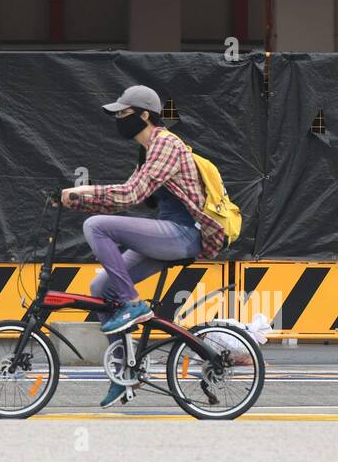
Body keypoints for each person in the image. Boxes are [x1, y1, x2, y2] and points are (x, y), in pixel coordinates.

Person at [61, 85, 226, 408]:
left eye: (124, 114)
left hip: (184, 233)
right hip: (168, 232)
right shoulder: (147, 152)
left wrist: (84, 191)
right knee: (101, 287)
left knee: (96, 226)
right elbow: (125, 199)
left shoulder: (165, 144)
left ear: (145, 115)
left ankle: (134, 303)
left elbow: (130, 195)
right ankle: (124, 372)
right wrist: (72, 202)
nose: (119, 119)